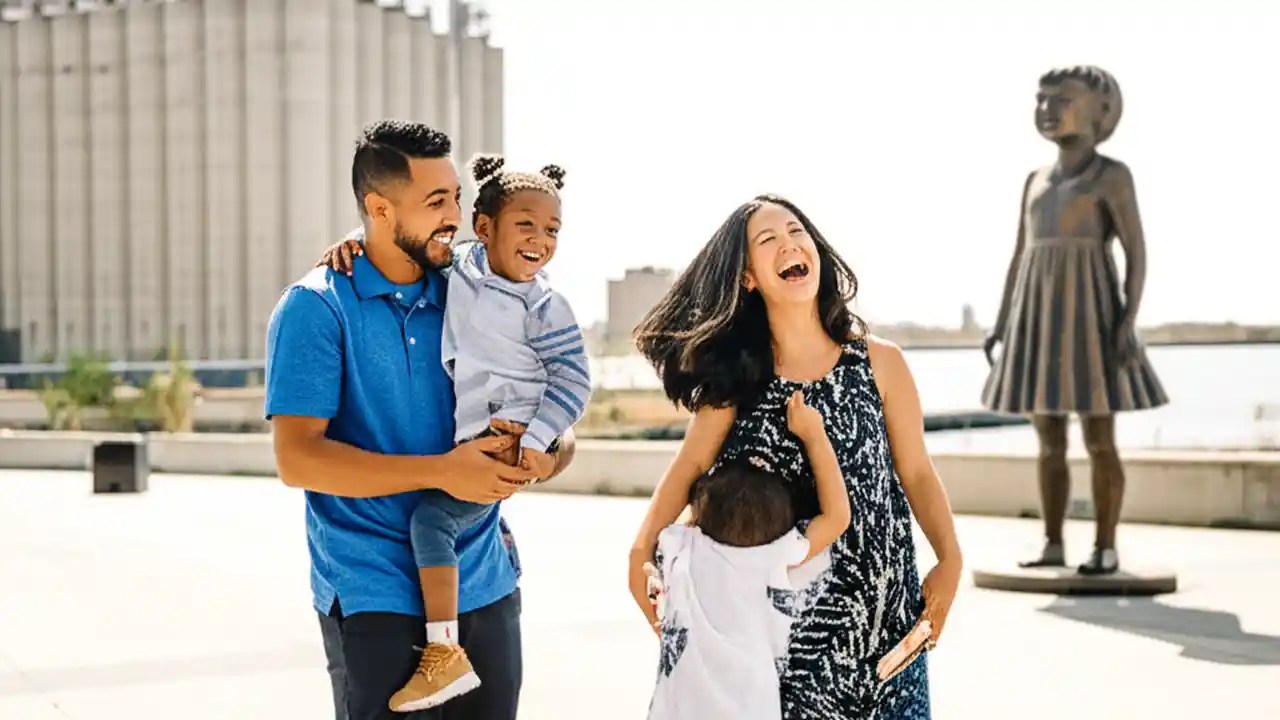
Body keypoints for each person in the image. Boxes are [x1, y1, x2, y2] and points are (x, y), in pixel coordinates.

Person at [267, 120, 573, 720]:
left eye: (456, 197)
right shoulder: (316, 308)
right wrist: (442, 471)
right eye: (436, 202)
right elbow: (297, 459)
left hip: (486, 585)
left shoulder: (476, 292)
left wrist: (545, 455)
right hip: (374, 596)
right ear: (380, 209)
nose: (455, 217)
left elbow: (553, 412)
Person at [628, 194, 963, 718]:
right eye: (768, 240)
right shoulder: (738, 378)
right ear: (748, 278)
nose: (789, 244)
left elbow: (917, 472)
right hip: (786, 653)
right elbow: (689, 467)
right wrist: (640, 554)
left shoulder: (880, 362)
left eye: (796, 231)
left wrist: (950, 559)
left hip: (889, 636)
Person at [981, 65, 1167, 575]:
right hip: (1038, 318)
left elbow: (1136, 252)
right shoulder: (1035, 180)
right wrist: (1002, 322)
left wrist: (1127, 321)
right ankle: (1052, 543)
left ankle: (1105, 547)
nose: (1048, 110)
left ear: (1099, 111)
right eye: (1041, 100)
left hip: (1092, 317)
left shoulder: (1112, 176)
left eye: (1062, 100)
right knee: (1048, 439)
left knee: (1099, 438)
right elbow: (1019, 255)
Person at [645, 390, 851, 720]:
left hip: (680, 708)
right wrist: (814, 435)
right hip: (753, 707)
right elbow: (838, 517)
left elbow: (652, 559)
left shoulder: (683, 545)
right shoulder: (774, 555)